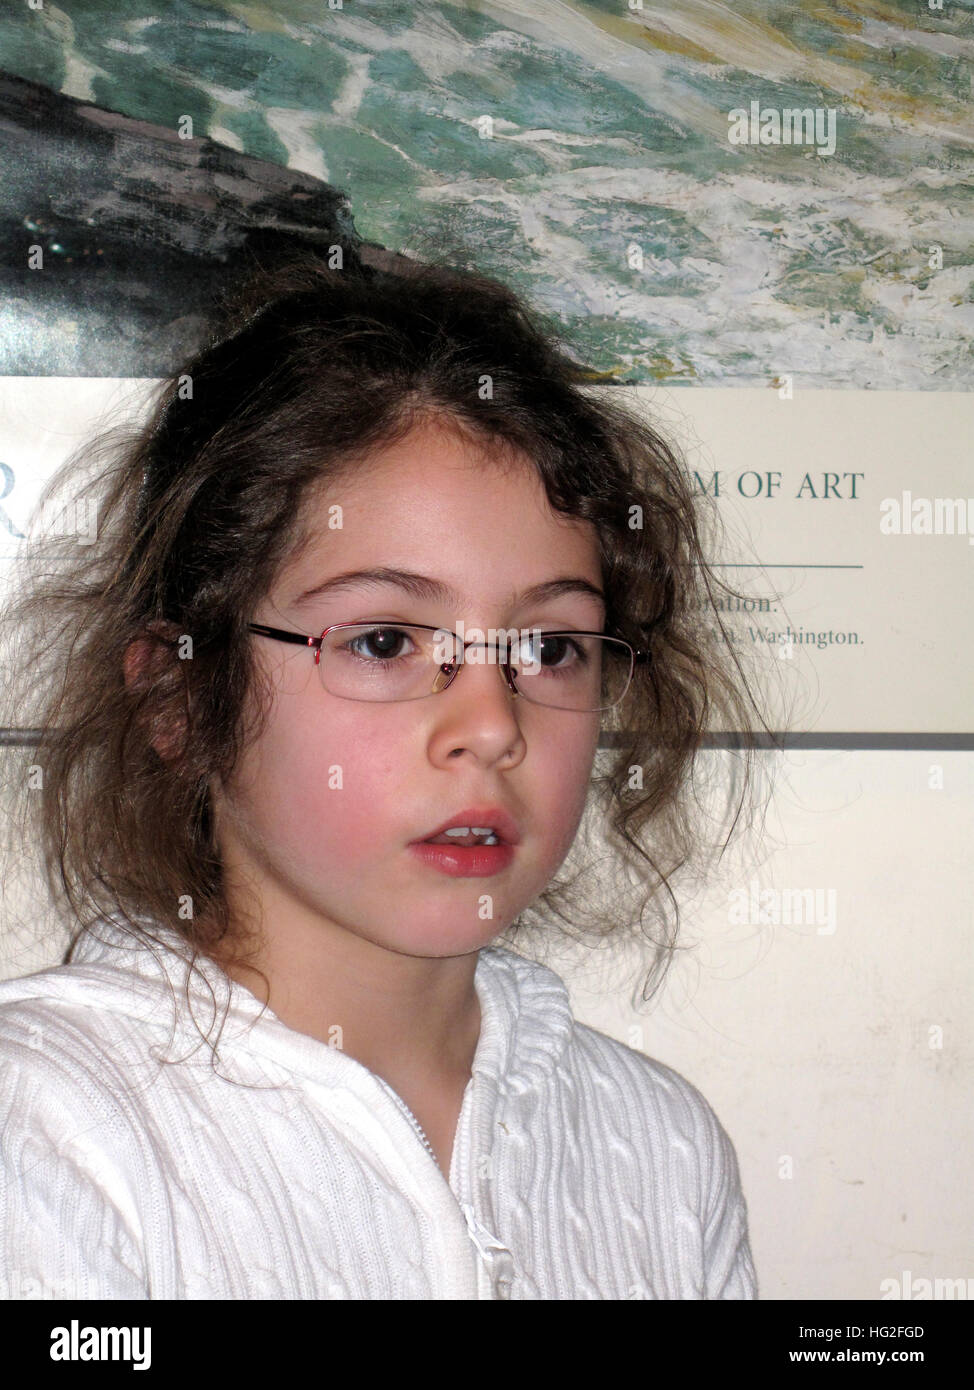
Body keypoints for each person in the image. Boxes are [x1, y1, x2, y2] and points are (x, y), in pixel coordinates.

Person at [0, 243, 771, 1300]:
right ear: (181, 696)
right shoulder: (47, 1128)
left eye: (549, 648)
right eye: (383, 642)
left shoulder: (660, 1146)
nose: (490, 725)